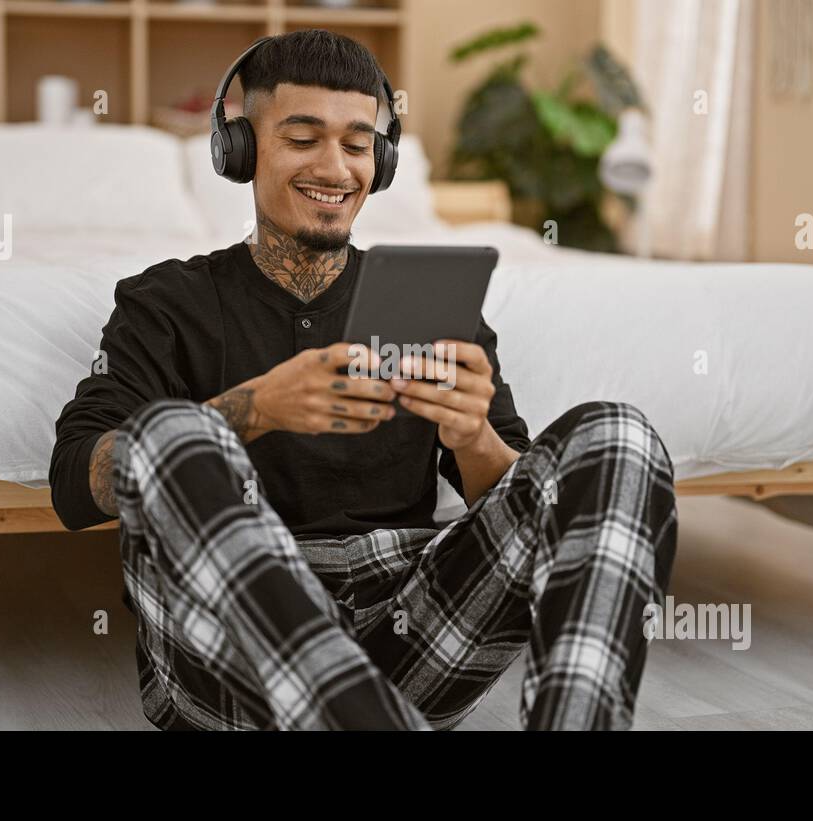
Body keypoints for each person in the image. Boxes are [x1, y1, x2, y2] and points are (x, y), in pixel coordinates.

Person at [49, 29, 678, 730]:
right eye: (303, 138)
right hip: (231, 652)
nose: (335, 168)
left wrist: (469, 435)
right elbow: (78, 480)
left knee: (619, 436)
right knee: (170, 435)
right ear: (241, 150)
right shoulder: (164, 303)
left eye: (356, 144)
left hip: (411, 636)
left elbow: (518, 501)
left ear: (379, 162)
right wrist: (253, 409)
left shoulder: (433, 304)